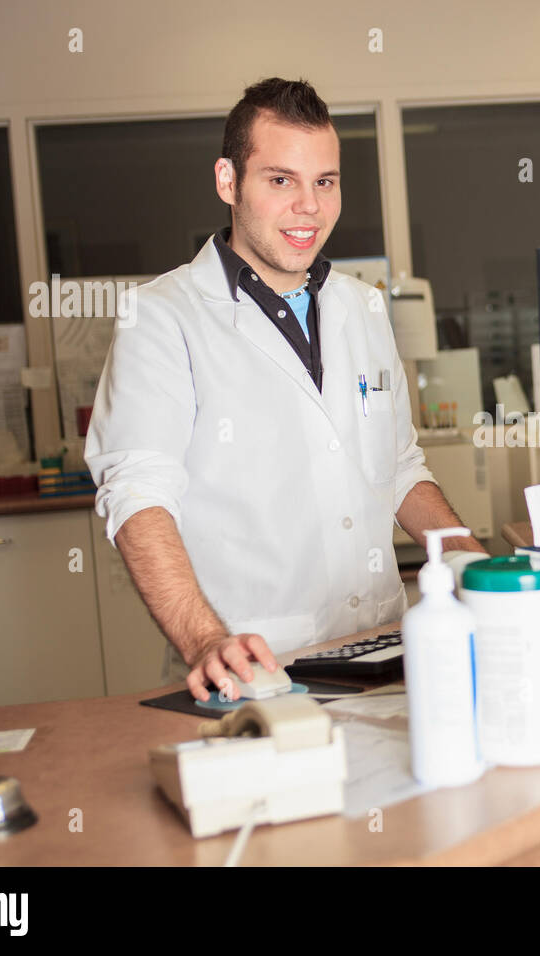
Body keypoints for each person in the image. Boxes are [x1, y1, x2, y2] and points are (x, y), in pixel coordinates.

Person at [85, 77, 485, 702]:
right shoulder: (162, 316)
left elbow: (400, 470)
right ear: (228, 182)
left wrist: (476, 564)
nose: (309, 206)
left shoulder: (363, 308)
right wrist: (202, 641)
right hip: (254, 669)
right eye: (281, 180)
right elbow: (137, 494)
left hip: (384, 649)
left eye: (325, 181)